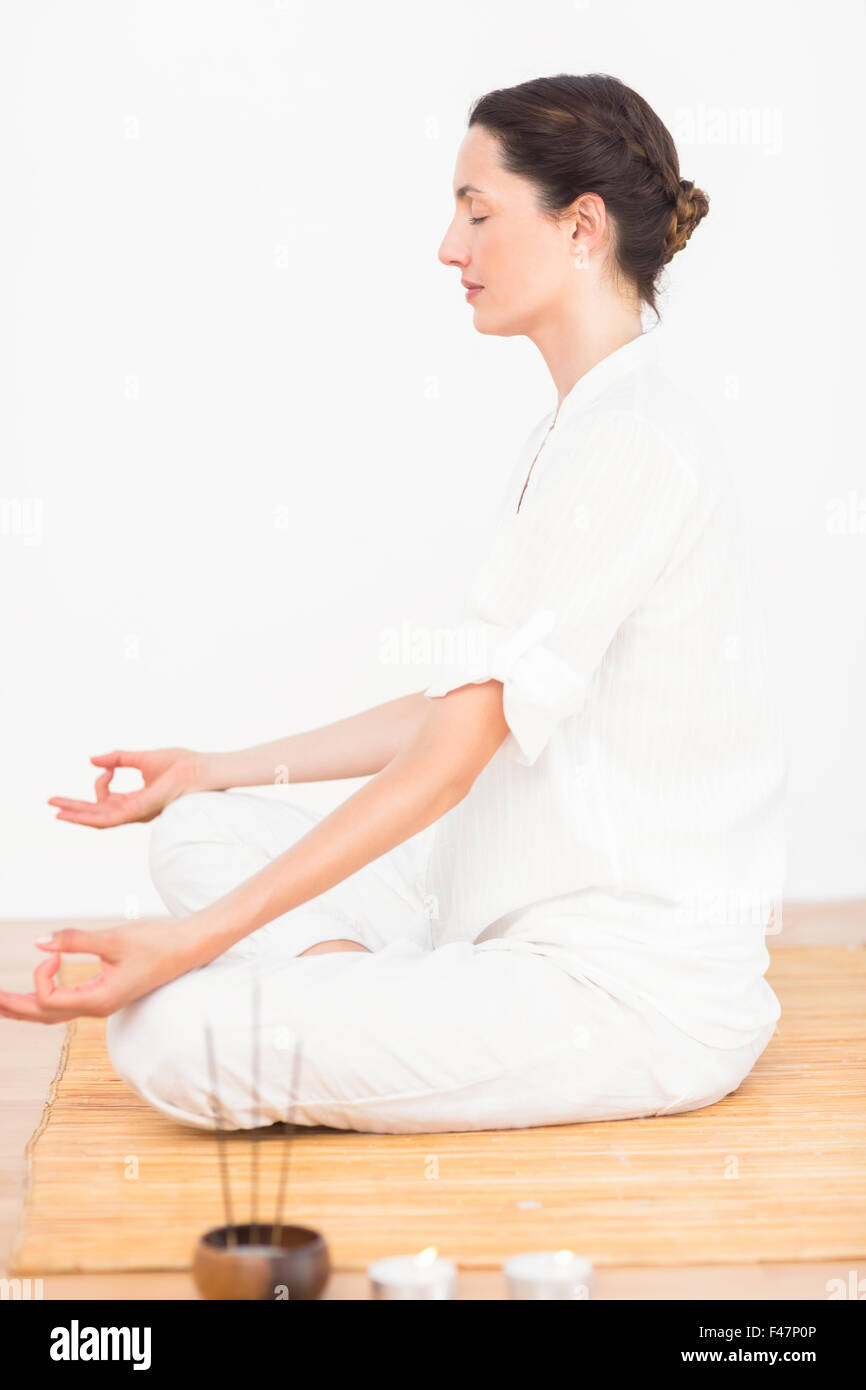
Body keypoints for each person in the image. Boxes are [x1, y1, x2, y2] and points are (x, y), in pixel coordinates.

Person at [1, 73, 787, 1136]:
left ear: (580, 228)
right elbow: (452, 706)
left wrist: (190, 945)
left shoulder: (629, 445)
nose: (447, 248)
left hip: (622, 990)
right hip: (488, 916)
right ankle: (378, 1008)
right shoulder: (580, 427)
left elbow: (449, 757)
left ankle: (364, 1011)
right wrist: (215, 765)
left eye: (475, 211)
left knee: (164, 1033)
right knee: (196, 828)